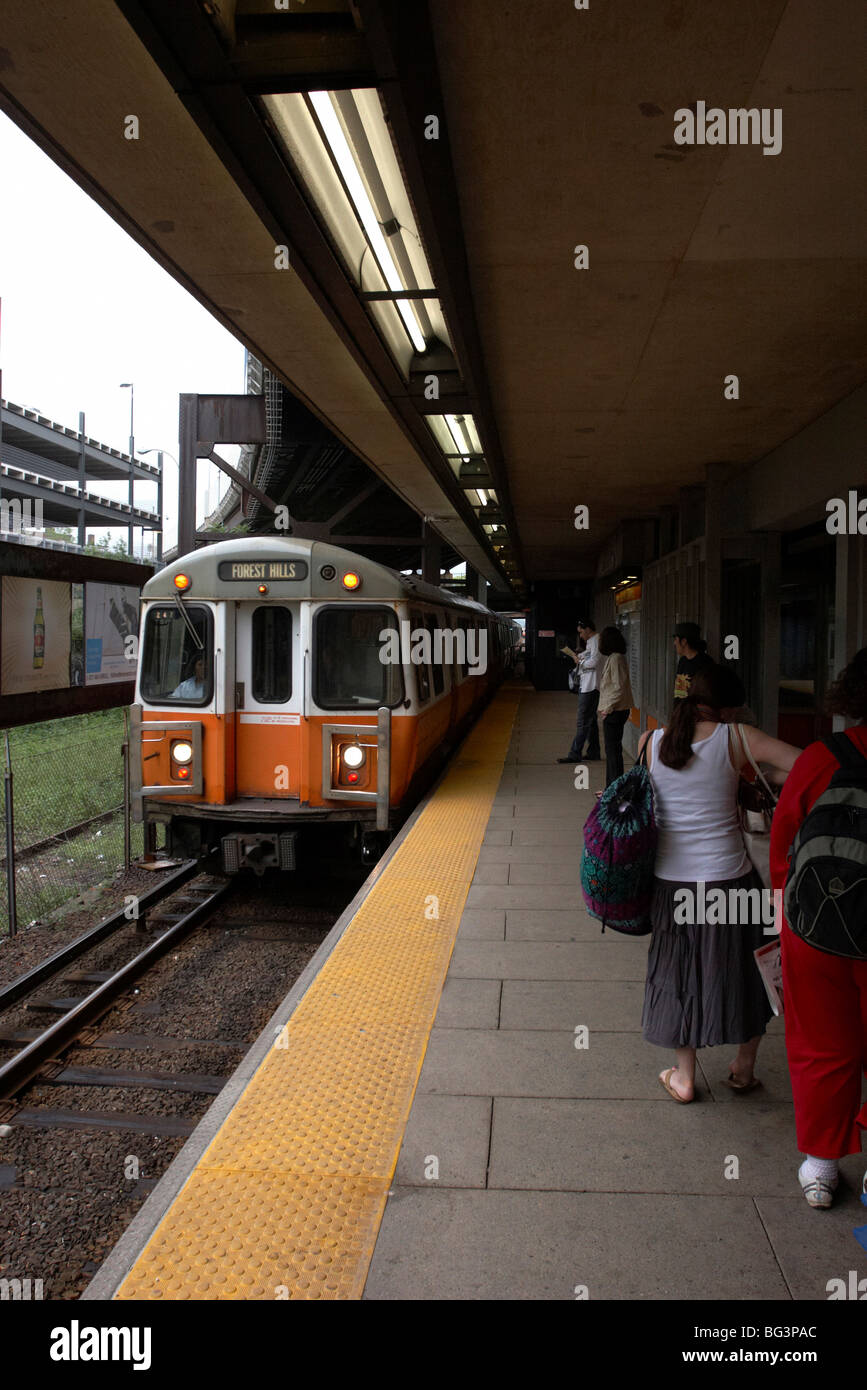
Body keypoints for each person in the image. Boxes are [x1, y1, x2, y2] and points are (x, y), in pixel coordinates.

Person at [638, 665, 800, 1103]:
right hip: (732, 884)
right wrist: (764, 779)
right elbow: (807, 765)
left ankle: (685, 1078)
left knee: (677, 972)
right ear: (730, 707)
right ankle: (744, 1068)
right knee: (759, 969)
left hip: (671, 886)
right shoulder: (737, 737)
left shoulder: (651, 742)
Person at [770, 648, 867, 1208]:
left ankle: (822, 1167)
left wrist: (791, 922)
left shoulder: (820, 758)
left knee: (820, 1044)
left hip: (817, 930)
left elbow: (784, 844)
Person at [596, 625, 634, 788]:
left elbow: (619, 686)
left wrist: (607, 709)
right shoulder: (614, 657)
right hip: (615, 710)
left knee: (613, 752)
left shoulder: (616, 659)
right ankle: (611, 786)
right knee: (612, 751)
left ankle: (614, 787)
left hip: (615, 711)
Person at [558, 619, 601, 763]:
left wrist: (580, 661)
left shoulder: (596, 640)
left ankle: (575, 753)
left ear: (588, 629)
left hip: (591, 686)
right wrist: (580, 656)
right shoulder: (593, 641)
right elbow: (589, 656)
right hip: (589, 685)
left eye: (581, 632)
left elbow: (594, 662)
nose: (581, 636)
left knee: (582, 721)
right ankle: (594, 752)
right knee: (591, 721)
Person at [673, 622, 713, 700]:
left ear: (684, 641)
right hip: (682, 710)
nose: (674, 643)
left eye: (675, 639)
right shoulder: (682, 661)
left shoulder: (706, 663)